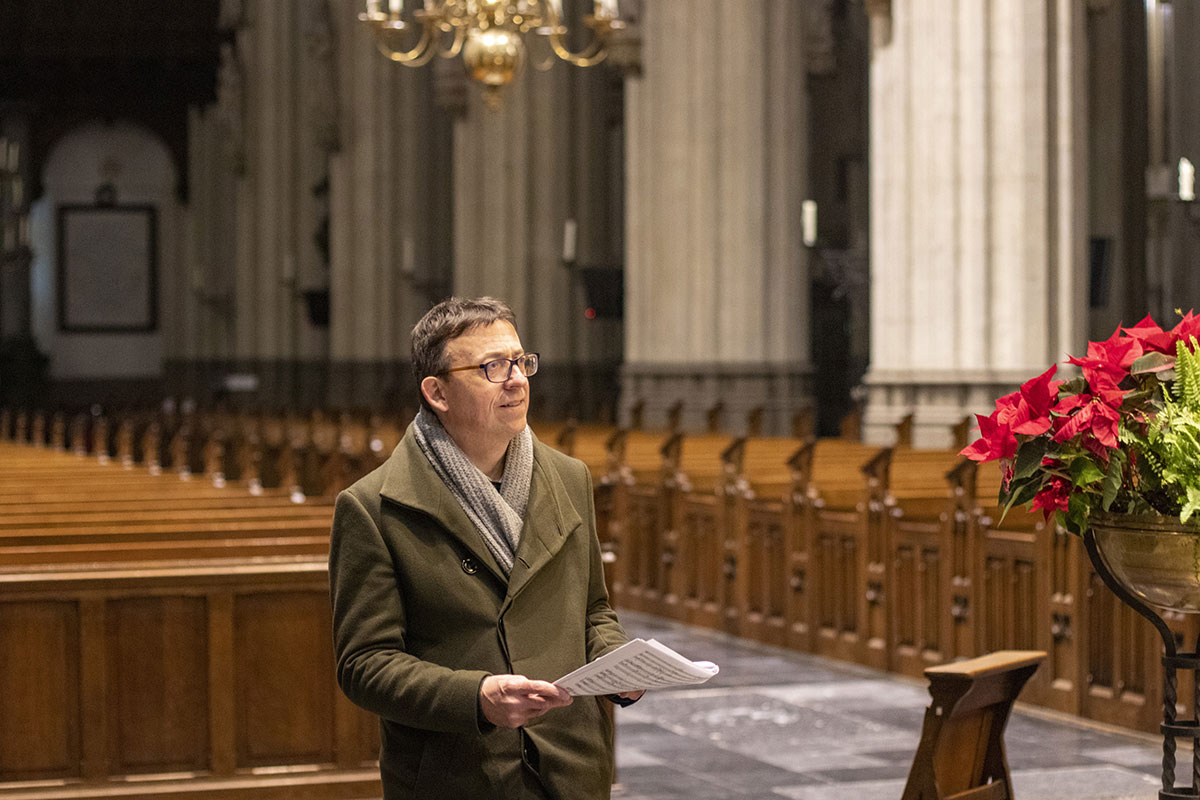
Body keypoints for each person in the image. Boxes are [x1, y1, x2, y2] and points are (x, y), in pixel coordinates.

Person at [329, 296, 641, 799]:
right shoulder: (372, 507)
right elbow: (364, 664)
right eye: (492, 367)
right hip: (459, 773)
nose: (516, 379)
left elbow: (592, 609)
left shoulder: (569, 477)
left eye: (521, 361)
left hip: (570, 766)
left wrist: (617, 661)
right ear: (437, 392)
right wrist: (476, 697)